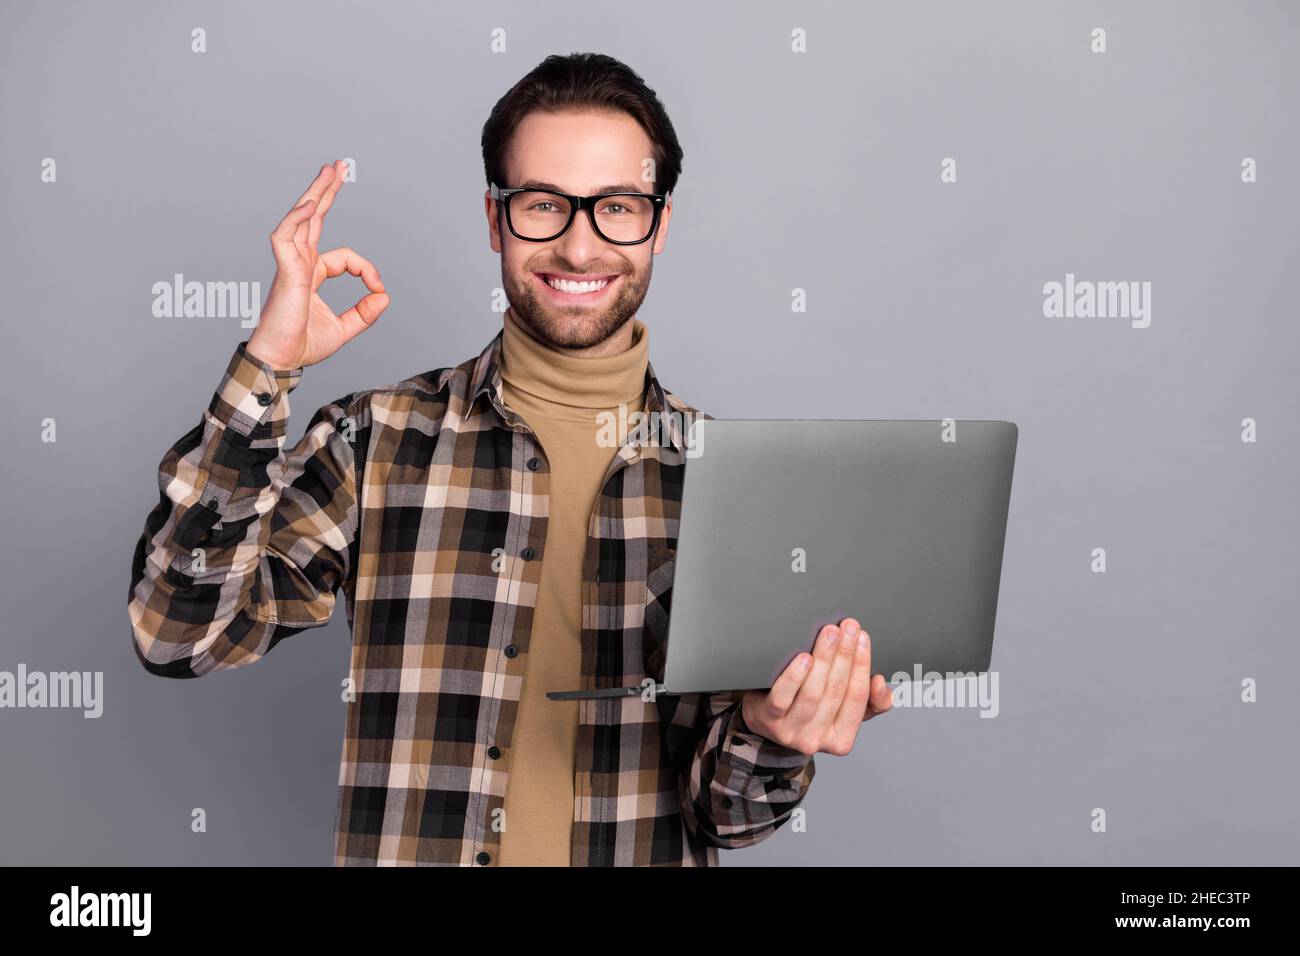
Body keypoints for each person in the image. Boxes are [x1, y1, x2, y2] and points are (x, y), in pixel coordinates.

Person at [127, 52, 892, 867]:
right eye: (542, 205)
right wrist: (268, 367)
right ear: (496, 219)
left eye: (618, 208)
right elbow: (178, 635)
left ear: (659, 225)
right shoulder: (374, 437)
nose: (578, 244)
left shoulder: (732, 485)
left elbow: (727, 820)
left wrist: (775, 736)